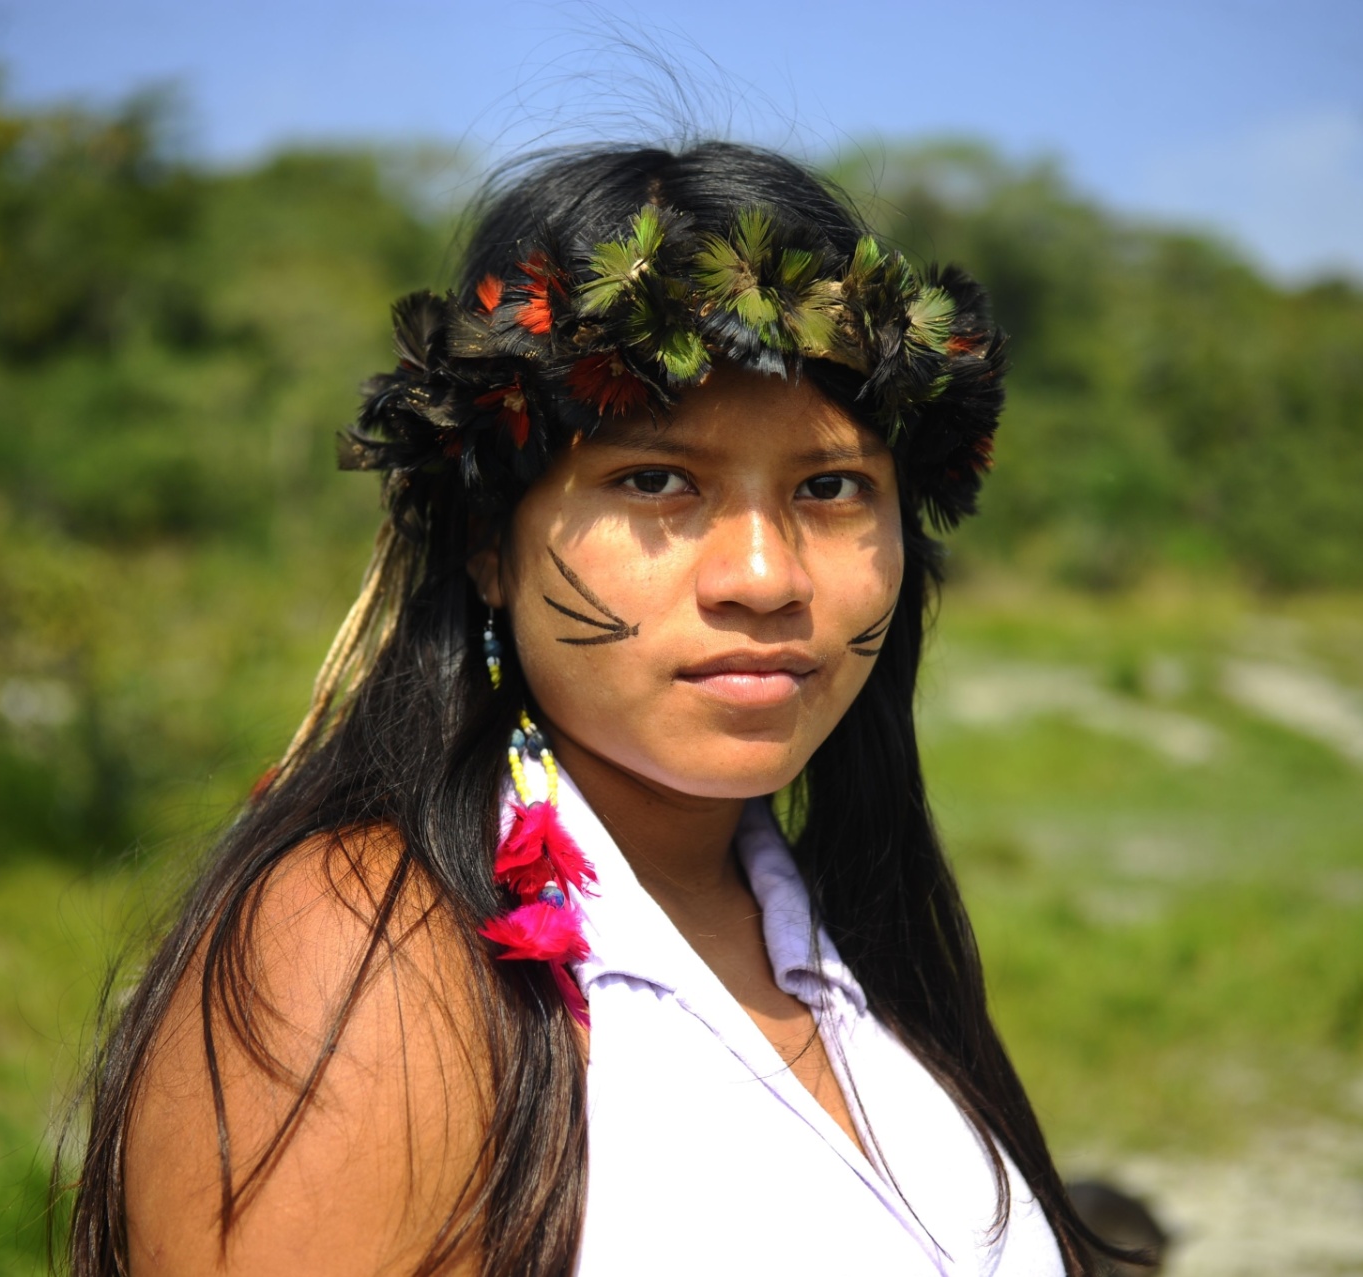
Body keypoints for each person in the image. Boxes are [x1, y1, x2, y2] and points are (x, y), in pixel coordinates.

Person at [64, 141, 1129, 1276]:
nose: (765, 576)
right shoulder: (365, 961)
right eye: (655, 480)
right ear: (489, 541)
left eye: (831, 487)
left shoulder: (848, 925)